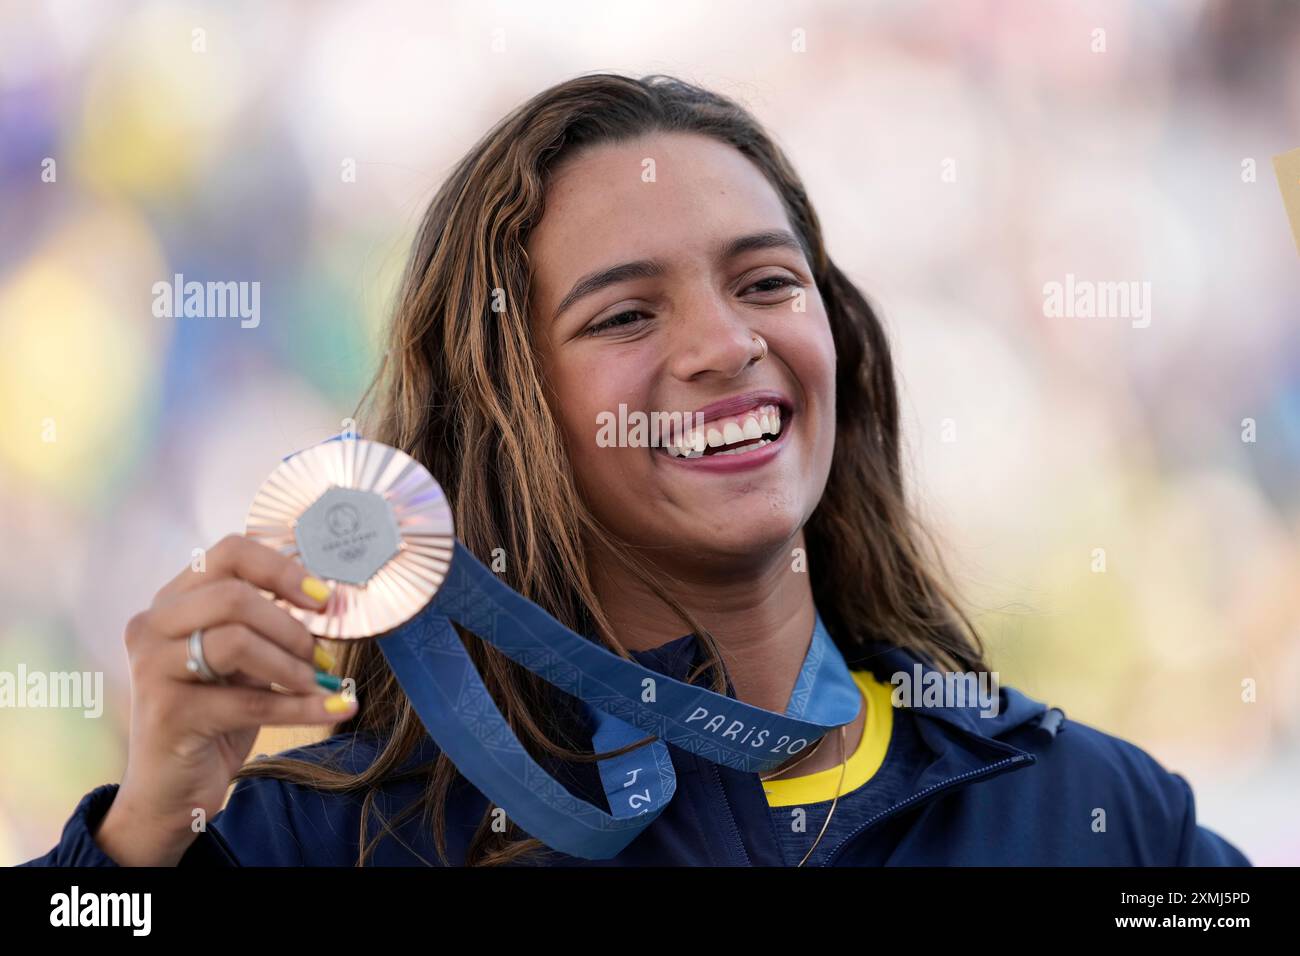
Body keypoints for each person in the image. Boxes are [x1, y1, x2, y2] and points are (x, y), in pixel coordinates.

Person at [23, 73, 1248, 867]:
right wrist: (138, 839)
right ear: (508, 407)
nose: (726, 345)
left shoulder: (1084, 808)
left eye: (768, 282)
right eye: (623, 316)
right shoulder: (342, 834)